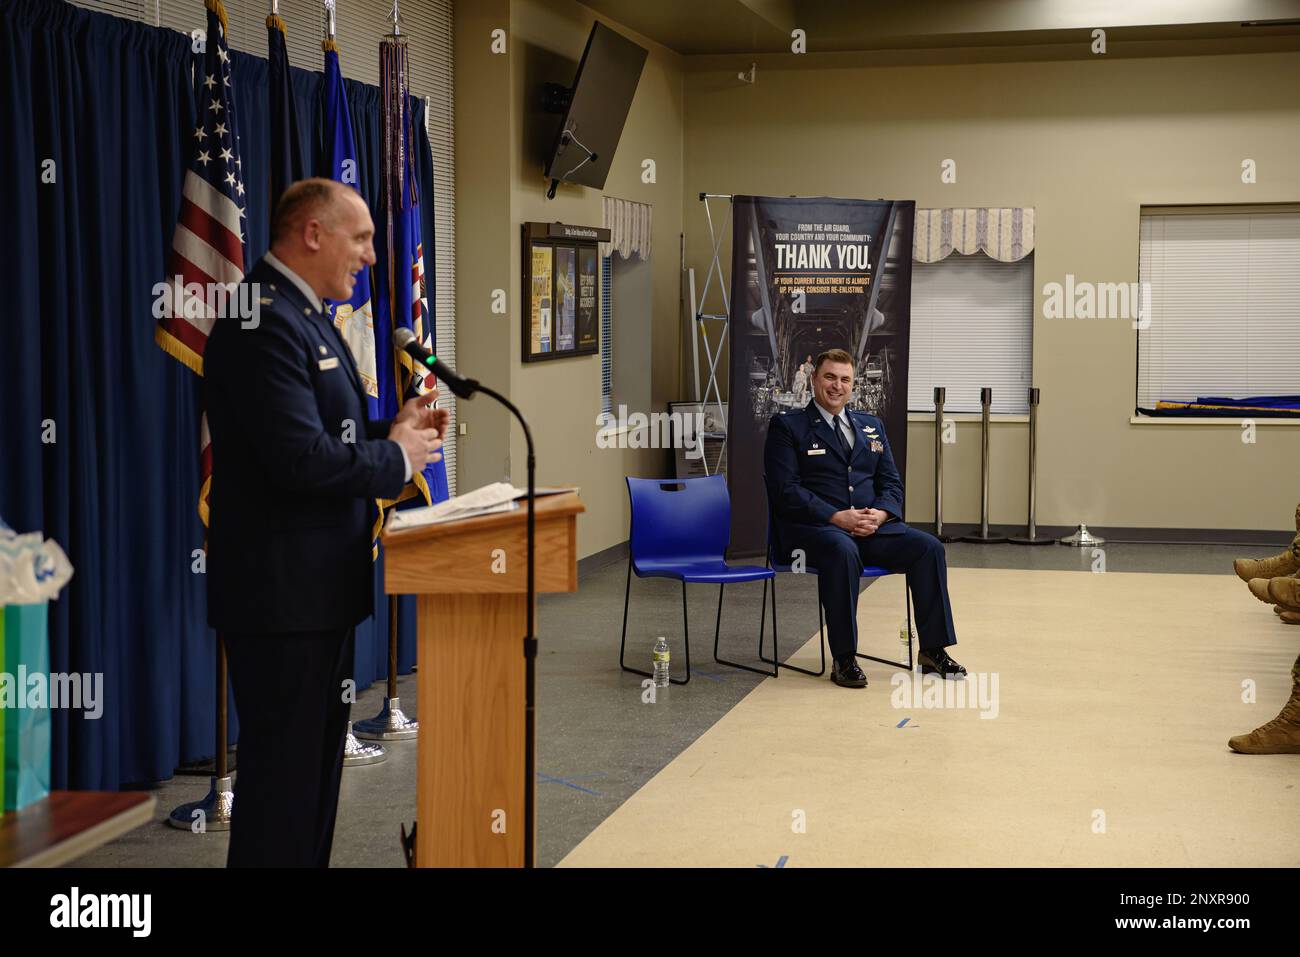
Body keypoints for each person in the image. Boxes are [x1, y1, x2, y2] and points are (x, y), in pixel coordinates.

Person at [204, 178, 448, 866]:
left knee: (310, 789)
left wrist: (388, 427)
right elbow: (297, 459)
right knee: (282, 792)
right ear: (312, 234)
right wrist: (394, 459)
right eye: (362, 238)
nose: (372, 255)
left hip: (317, 596)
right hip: (279, 601)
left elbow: (325, 430)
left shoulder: (305, 314)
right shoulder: (260, 318)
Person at [764, 348, 965, 688]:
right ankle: (844, 658)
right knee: (842, 551)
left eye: (844, 379)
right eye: (829, 377)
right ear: (814, 379)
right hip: (816, 533)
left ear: (852, 385)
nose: (837, 386)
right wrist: (835, 517)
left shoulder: (871, 426)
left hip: (870, 529)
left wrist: (882, 513)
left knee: (928, 548)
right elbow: (786, 491)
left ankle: (932, 650)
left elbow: (891, 484)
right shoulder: (787, 427)